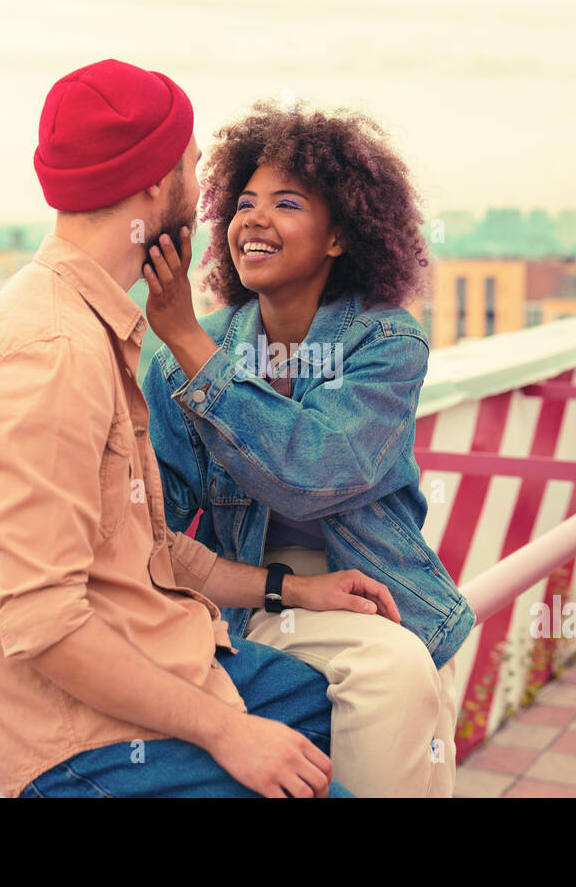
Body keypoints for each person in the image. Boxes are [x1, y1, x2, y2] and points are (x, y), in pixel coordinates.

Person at [0, 60, 400, 798]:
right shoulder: (49, 351)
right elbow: (44, 624)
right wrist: (228, 732)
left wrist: (292, 590)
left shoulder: (90, 325)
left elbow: (145, 550)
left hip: (158, 653)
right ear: (153, 185)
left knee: (349, 708)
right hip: (86, 743)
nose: (202, 184)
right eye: (191, 164)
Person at [140, 100, 476, 797]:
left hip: (378, 590)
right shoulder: (183, 357)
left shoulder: (386, 342)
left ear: (338, 237)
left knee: (405, 684)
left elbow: (314, 473)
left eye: (286, 203)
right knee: (395, 675)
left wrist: (195, 350)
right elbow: (154, 526)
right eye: (244, 203)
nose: (253, 220)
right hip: (253, 595)